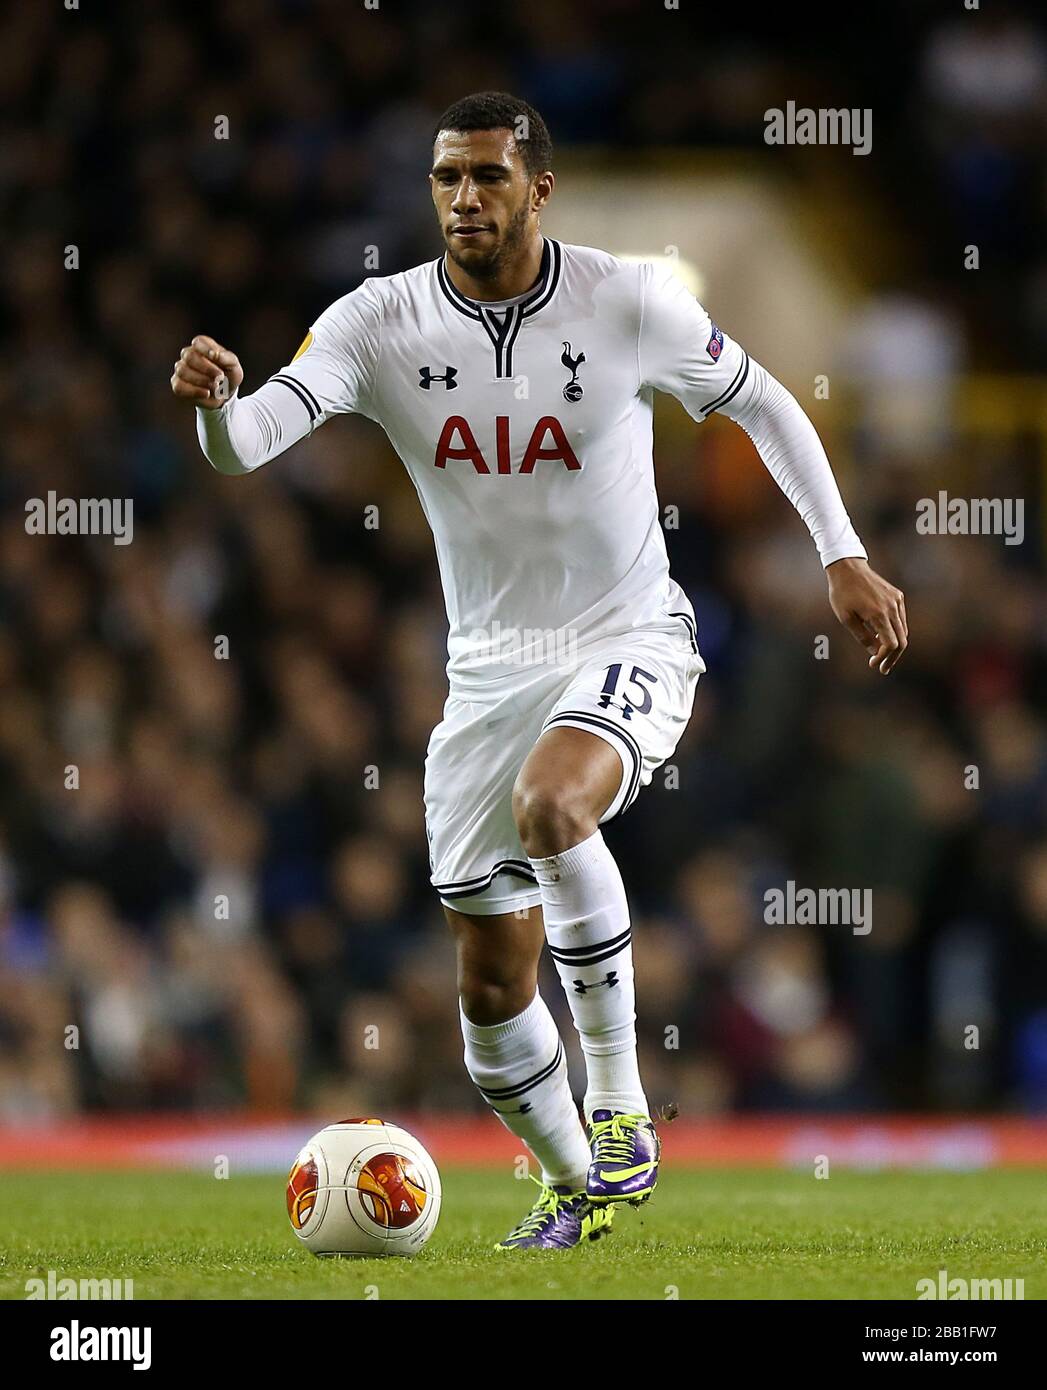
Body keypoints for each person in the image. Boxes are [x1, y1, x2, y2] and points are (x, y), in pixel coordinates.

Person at [172, 91, 907, 1250]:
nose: (466, 197)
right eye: (447, 178)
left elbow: (765, 404)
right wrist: (216, 413)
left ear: (540, 188)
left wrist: (844, 555)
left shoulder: (628, 300)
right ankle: (577, 1184)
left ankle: (618, 1104)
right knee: (488, 990)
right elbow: (252, 441)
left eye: (489, 176)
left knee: (557, 802)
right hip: (484, 677)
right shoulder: (377, 320)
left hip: (628, 637)